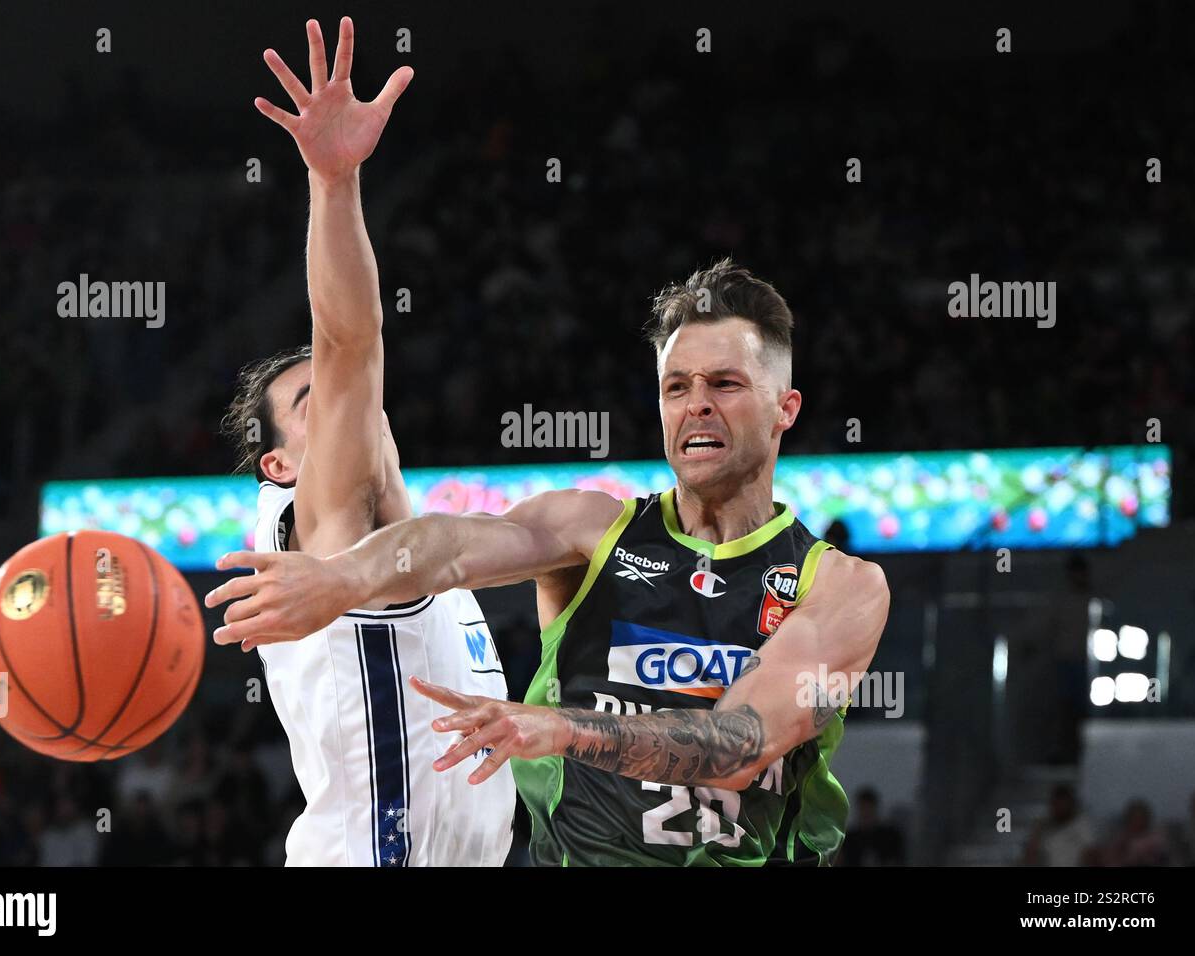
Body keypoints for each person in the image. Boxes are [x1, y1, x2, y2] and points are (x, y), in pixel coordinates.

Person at [207, 257, 889, 866]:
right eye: (676, 386)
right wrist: (344, 575)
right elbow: (448, 546)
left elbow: (737, 747)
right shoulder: (590, 530)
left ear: (785, 408)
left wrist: (561, 729)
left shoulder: (839, 586)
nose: (697, 404)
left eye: (726, 383)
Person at [217, 17, 514, 866]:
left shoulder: (413, 550)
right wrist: (335, 182)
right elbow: (350, 340)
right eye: (315, 404)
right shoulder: (324, 518)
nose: (346, 403)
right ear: (279, 465)